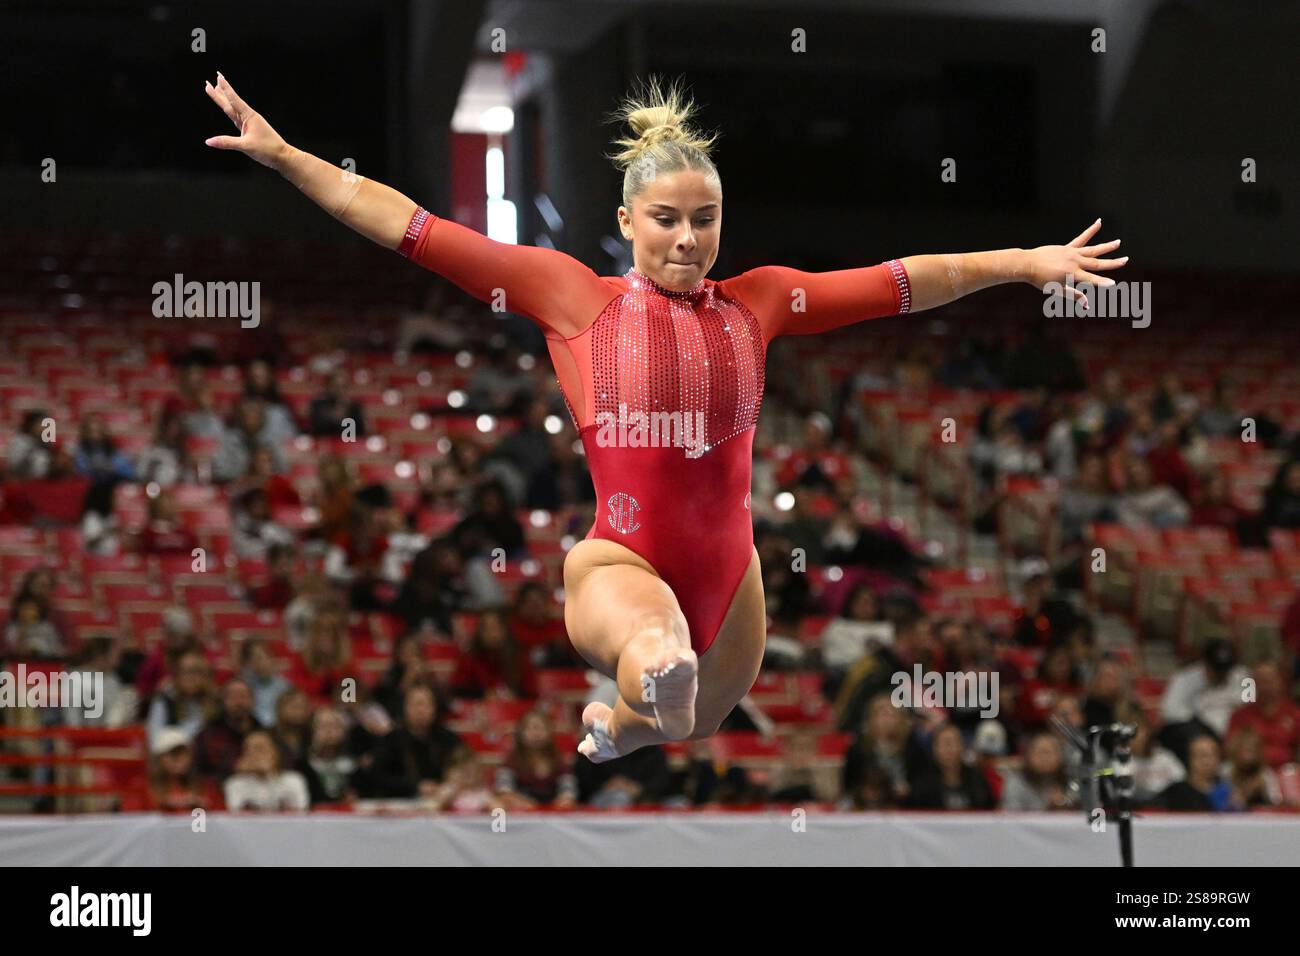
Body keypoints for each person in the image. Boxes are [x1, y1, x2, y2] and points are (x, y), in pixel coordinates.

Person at [204, 71, 1126, 761]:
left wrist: (1022, 259)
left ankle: (618, 725)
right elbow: (412, 227)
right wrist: (287, 157)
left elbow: (901, 284)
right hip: (621, 556)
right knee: (661, 649)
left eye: (706, 218)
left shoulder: (762, 302)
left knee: (698, 721)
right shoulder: (573, 296)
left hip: (735, 571)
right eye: (665, 219)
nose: (688, 239)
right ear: (627, 220)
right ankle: (645, 678)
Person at [906, 722, 995, 810]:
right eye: (947, 743)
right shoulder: (922, 784)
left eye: (957, 743)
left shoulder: (977, 779)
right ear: (935, 748)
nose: (953, 749)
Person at [223, 729, 310, 812]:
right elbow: (235, 819)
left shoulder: (294, 780)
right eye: (247, 749)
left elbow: (301, 815)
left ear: (275, 752)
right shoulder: (235, 784)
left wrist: (269, 774)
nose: (253, 753)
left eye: (259, 748)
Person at [1000, 731, 1077, 811]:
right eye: (1039, 752)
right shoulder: (1016, 782)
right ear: (1028, 756)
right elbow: (1010, 817)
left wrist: (1064, 805)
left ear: (1060, 756)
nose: (1044, 758)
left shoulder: (1070, 781)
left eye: (1048, 752)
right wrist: (1049, 808)